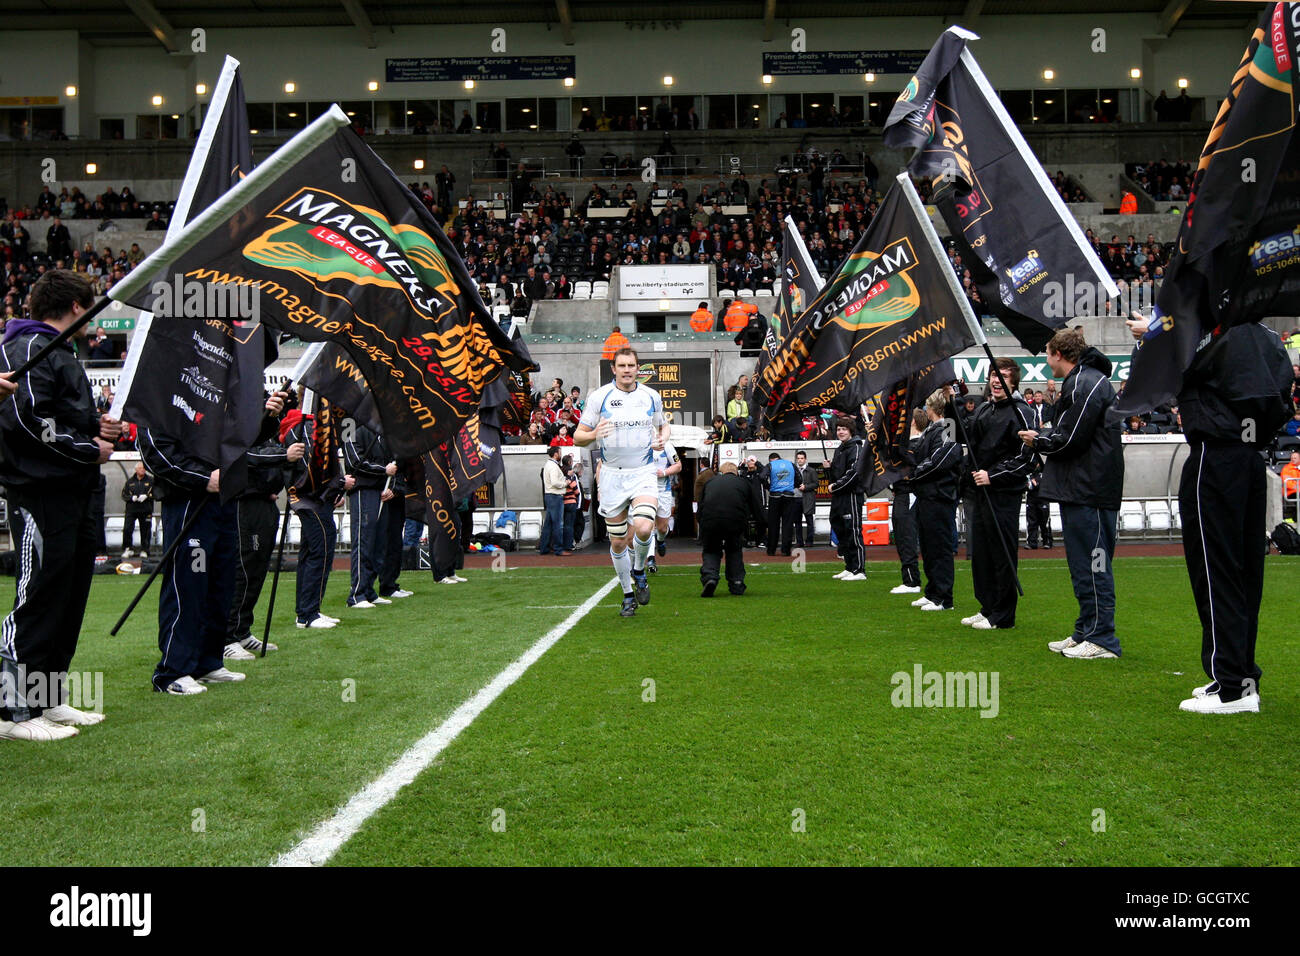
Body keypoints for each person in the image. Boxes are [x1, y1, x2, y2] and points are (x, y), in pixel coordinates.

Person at [1126, 317, 1292, 713]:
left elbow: (1163, 378)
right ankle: (1242, 678)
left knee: (1215, 572)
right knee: (1245, 573)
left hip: (1215, 455)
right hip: (1250, 456)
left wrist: (1154, 336)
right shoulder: (1268, 336)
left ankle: (1231, 685)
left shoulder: (1213, 331)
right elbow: (1281, 394)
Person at [0, 272, 114, 740]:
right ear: (73, 306)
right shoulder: (29, 347)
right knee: (38, 596)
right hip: (40, 494)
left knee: (68, 598)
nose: (91, 319)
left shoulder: (60, 352)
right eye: (88, 308)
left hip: (74, 493)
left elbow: (61, 420)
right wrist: (90, 449)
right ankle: (13, 712)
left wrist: (98, 429)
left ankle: (48, 698)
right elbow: (26, 421)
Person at [1018, 329, 1124, 659]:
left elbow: (1072, 436)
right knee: (1083, 563)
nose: (1046, 361)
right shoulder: (1084, 381)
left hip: (1089, 487)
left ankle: (1102, 637)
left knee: (1093, 563)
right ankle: (1086, 630)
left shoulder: (1083, 383)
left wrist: (1040, 440)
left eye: (1048, 354)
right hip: (1083, 486)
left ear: (1059, 354)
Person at [574, 346, 670, 617]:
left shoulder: (651, 396)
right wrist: (594, 432)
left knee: (643, 527)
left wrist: (664, 436)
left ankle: (639, 570)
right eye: (622, 366)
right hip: (612, 476)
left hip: (642, 472)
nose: (627, 370)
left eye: (632, 365)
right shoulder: (599, 397)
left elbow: (663, 425)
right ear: (614, 369)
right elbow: (577, 437)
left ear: (638, 368)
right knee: (617, 543)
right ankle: (628, 594)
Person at [961, 360, 1037, 631]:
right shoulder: (983, 409)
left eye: (1003, 376)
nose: (997, 380)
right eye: (994, 374)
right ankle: (987, 607)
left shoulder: (1022, 411)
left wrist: (993, 476)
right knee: (981, 551)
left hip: (1004, 492)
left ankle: (1003, 615)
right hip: (980, 491)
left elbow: (1027, 458)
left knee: (1002, 552)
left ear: (1013, 382)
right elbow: (971, 444)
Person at [224, 403, 305, 659]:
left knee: (258, 569)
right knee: (243, 568)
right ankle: (227, 635)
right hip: (244, 503)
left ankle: (243, 630)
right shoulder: (237, 428)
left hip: (265, 503)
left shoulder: (266, 430)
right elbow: (246, 456)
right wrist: (284, 456)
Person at [281, 399, 351, 630]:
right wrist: (338, 483)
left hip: (319, 498)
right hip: (310, 500)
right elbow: (312, 468)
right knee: (319, 551)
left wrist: (336, 488)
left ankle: (308, 611)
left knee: (312, 552)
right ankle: (309, 613)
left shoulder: (316, 428)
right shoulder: (300, 428)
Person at [907, 389, 962, 611]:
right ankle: (932, 591)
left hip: (940, 496)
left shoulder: (948, 428)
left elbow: (942, 460)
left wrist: (915, 472)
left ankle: (944, 597)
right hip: (927, 495)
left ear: (932, 408)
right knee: (929, 547)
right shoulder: (932, 430)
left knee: (939, 548)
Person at [343, 420, 398, 608]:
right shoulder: (350, 426)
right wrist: (384, 471)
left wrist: (391, 487)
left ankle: (368, 590)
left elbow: (393, 466)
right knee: (364, 542)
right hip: (363, 491)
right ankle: (357, 594)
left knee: (379, 544)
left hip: (379, 493)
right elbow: (353, 461)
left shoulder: (384, 435)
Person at [697, 462, 753, 596]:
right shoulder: (743, 483)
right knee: (734, 550)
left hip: (710, 520)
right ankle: (737, 582)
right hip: (734, 521)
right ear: (736, 472)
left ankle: (710, 577)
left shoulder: (710, 482)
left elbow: (701, 506)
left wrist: (702, 524)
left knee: (711, 549)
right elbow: (755, 506)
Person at [823, 419, 869, 581]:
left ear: (851, 431)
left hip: (851, 496)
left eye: (844, 429)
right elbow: (837, 474)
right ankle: (849, 566)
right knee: (839, 528)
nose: (840, 432)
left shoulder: (856, 448)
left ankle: (859, 569)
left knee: (853, 531)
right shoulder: (840, 449)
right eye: (839, 429)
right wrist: (828, 470)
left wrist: (836, 486)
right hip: (839, 497)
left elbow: (854, 473)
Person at [888, 409, 927, 595]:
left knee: (906, 536)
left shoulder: (917, 444)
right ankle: (910, 579)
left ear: (913, 422)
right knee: (902, 535)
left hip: (909, 493)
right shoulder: (910, 444)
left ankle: (911, 581)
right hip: (902, 493)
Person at [647, 438, 680, 573]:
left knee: (661, 528)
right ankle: (650, 559)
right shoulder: (640, 444)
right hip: (646, 490)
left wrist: (664, 472)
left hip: (663, 491)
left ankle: (660, 540)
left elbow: (678, 465)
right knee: (648, 526)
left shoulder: (667, 446)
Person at [764, 452, 800, 556]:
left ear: (771, 460)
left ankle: (771, 550)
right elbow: (799, 479)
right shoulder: (791, 464)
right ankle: (786, 550)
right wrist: (793, 485)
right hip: (789, 496)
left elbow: (762, 477)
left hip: (775, 496)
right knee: (788, 524)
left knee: (773, 524)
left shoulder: (770, 465)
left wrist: (769, 487)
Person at [538, 445, 568, 556]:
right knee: (558, 524)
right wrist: (565, 483)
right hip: (555, 496)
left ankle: (544, 548)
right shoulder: (553, 466)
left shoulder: (549, 465)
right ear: (555, 453)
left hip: (550, 496)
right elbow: (555, 482)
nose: (560, 454)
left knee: (548, 524)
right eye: (559, 452)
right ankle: (558, 549)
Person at [121, 462, 154, 558]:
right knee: (127, 529)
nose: (142, 470)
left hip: (146, 510)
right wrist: (131, 498)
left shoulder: (151, 480)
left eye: (144, 468)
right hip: (131, 510)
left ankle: (145, 550)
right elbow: (124, 495)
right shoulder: (130, 481)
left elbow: (156, 493)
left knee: (146, 530)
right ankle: (128, 548)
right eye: (140, 468)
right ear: (136, 469)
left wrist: (147, 496)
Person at [794, 450, 818, 548]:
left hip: (807, 498)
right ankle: (799, 541)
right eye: (798, 458)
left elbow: (816, 484)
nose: (800, 460)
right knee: (797, 521)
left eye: (802, 458)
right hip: (796, 498)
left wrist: (806, 487)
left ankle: (809, 541)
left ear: (805, 459)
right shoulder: (794, 470)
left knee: (809, 521)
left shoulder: (811, 470)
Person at [1282, 450, 1300, 523]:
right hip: (1290, 492)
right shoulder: (1287, 469)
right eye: (1292, 458)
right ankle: (1296, 519)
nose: (1293, 459)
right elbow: (1289, 484)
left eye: (1295, 458)